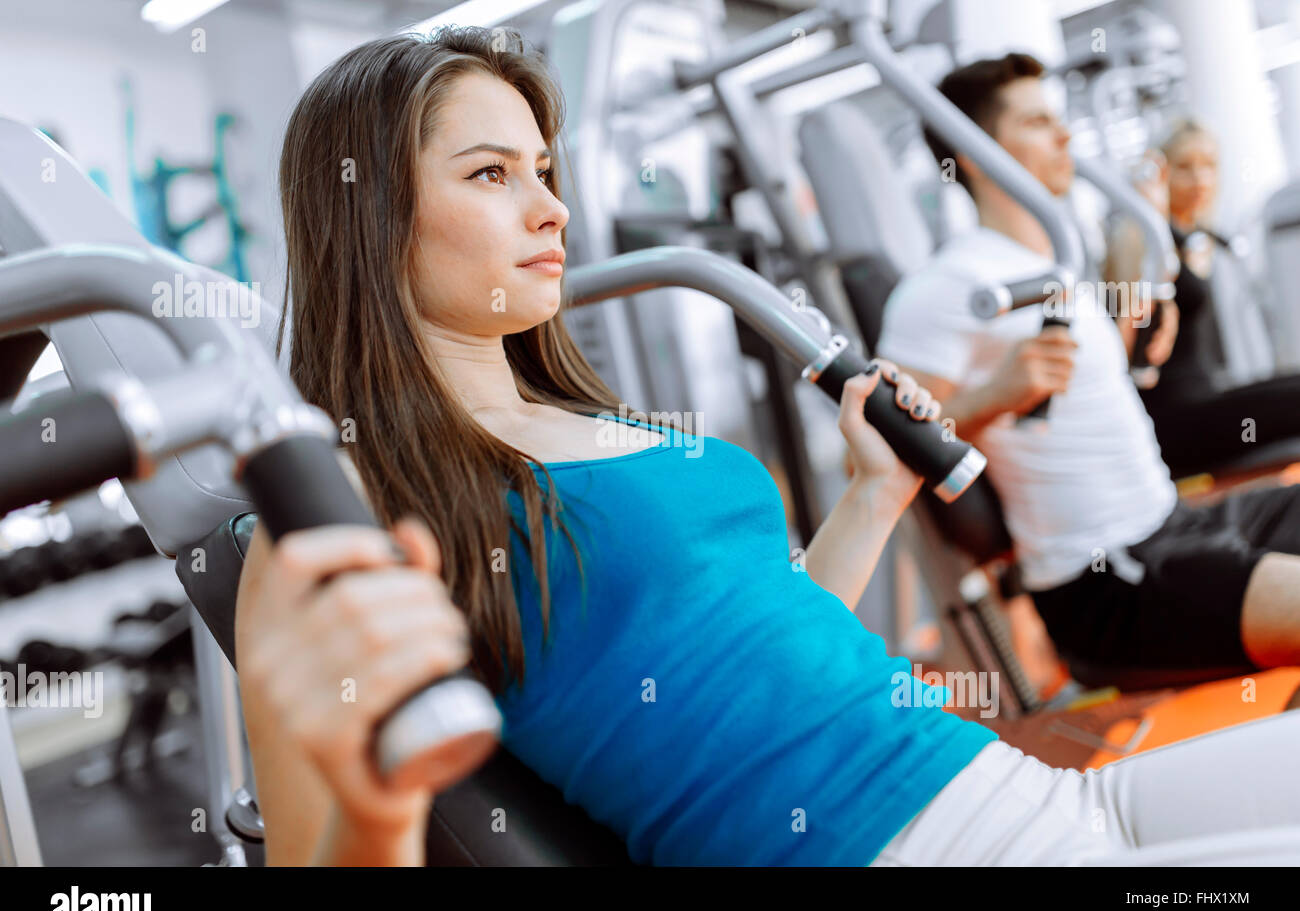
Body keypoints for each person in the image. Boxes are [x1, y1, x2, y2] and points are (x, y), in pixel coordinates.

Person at [235, 28, 1300, 867]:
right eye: (490, 175)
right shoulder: (343, 507)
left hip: (1028, 787)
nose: (551, 207)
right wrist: (380, 811)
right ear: (368, 210)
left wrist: (876, 494)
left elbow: (771, 644)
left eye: (544, 169)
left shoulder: (611, 418)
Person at [879, 52, 1300, 685]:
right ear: (973, 151)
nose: (1065, 135)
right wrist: (996, 394)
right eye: (1038, 122)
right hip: (1106, 579)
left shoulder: (1058, 258)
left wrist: (1140, 341)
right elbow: (887, 450)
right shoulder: (946, 285)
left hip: (1173, 518)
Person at [1104, 118, 1300, 476]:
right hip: (1174, 422)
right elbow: (1132, 340)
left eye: (1209, 166)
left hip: (1205, 399)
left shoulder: (1190, 238)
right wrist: (1151, 211)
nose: (1200, 180)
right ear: (1160, 174)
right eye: (1184, 167)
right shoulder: (1140, 239)